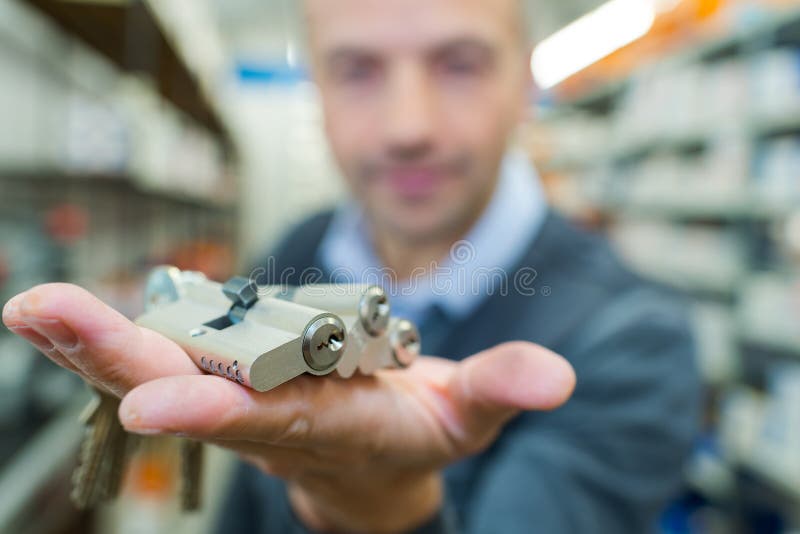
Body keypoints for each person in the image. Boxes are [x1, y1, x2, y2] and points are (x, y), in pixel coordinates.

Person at [1, 0, 700, 532]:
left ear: (525, 81)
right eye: (358, 69)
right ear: (318, 90)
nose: (408, 128)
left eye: (459, 63)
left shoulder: (633, 339)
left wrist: (380, 503)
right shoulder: (294, 253)